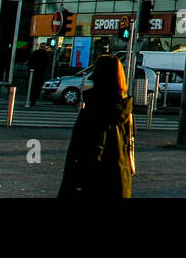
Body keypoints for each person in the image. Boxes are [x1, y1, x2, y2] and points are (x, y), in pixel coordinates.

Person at [58, 54, 135, 198]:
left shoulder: (95, 107)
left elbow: (90, 148)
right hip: (120, 177)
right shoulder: (125, 107)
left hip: (93, 181)